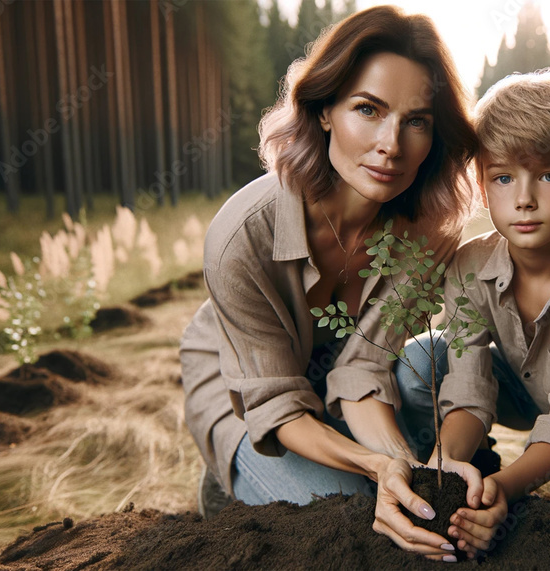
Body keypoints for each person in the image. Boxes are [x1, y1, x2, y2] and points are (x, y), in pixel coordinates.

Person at [179, 6, 479, 561]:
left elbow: (362, 367)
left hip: (345, 391)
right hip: (249, 392)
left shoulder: (427, 229)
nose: (392, 144)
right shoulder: (240, 235)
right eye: (368, 109)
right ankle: (234, 475)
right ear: (322, 112)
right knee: (355, 527)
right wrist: (372, 467)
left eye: (416, 120)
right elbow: (275, 402)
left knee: (407, 494)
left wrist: (401, 467)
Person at [396, 69, 550, 558]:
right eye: (504, 177)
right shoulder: (469, 266)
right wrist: (448, 465)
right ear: (482, 182)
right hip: (515, 385)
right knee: (422, 363)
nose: (525, 199)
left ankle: (512, 487)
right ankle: (479, 467)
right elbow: (469, 388)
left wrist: (506, 492)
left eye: (549, 175)